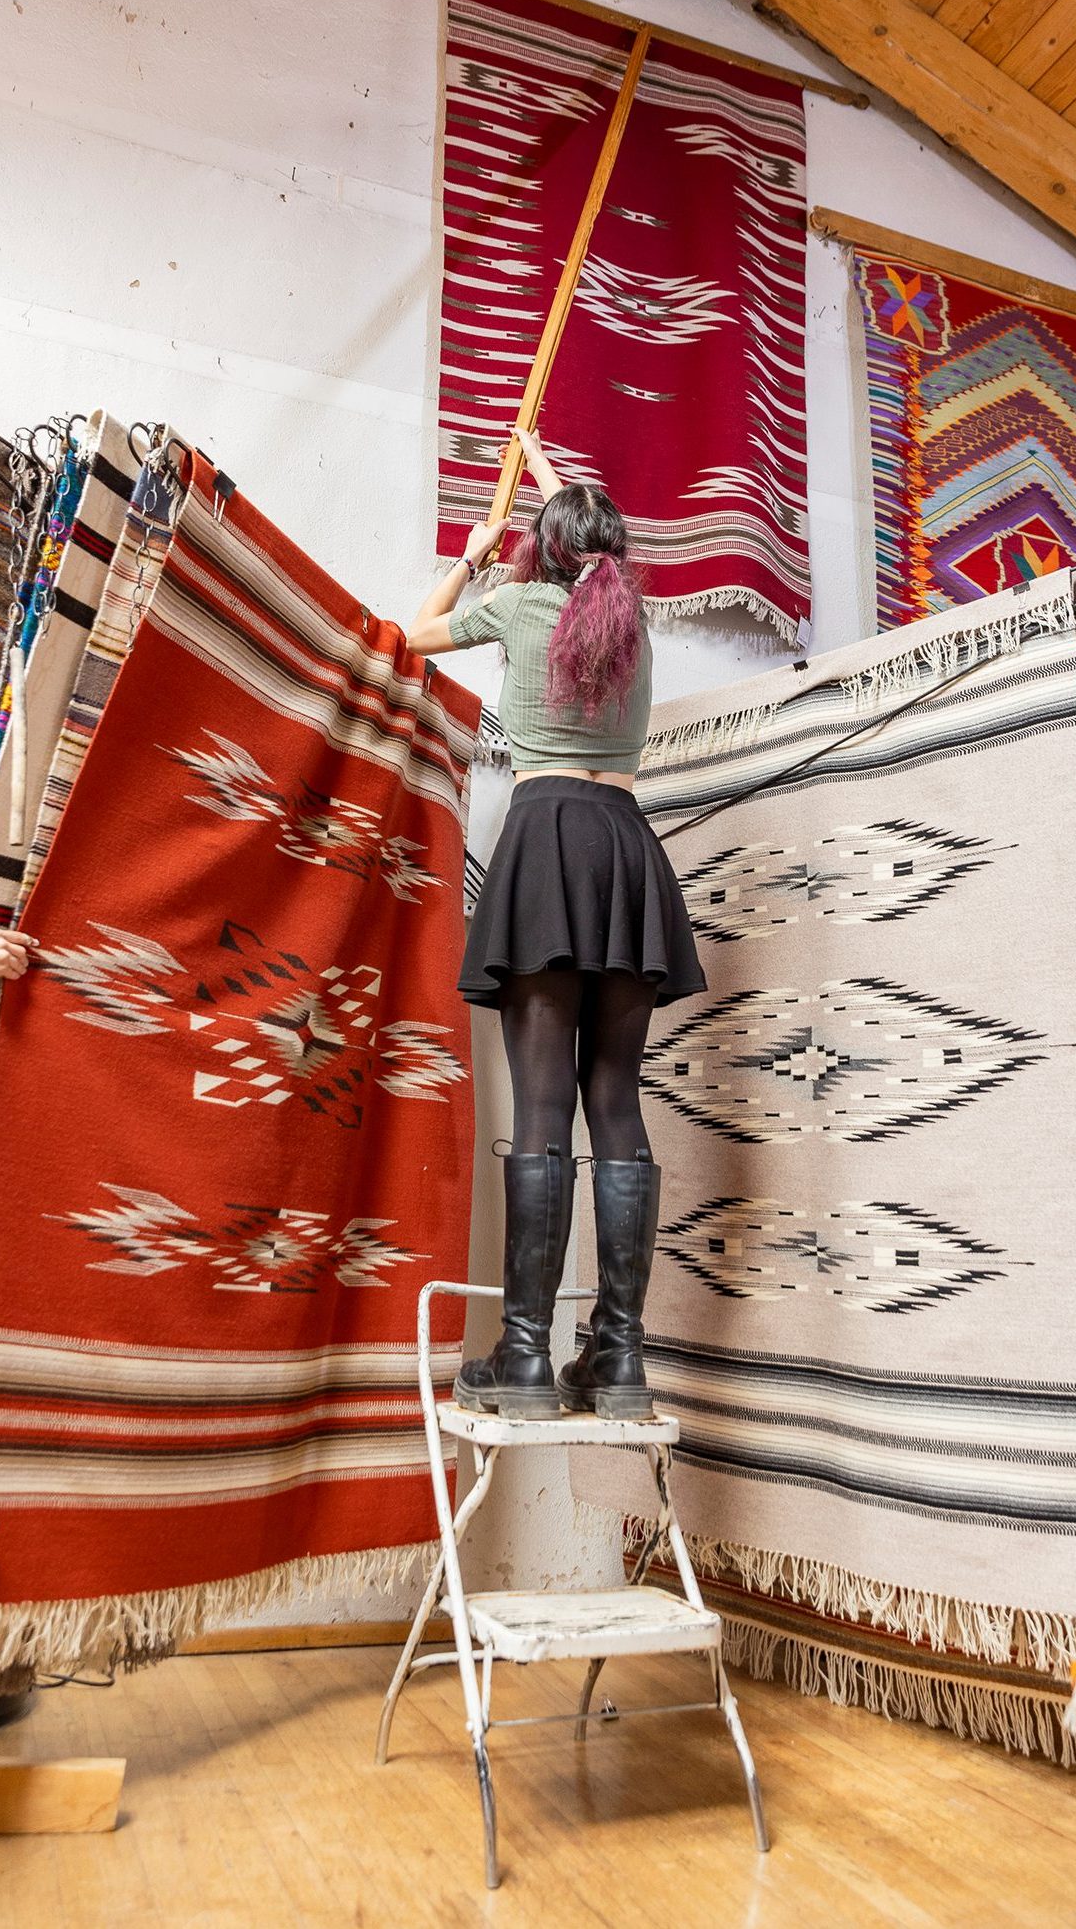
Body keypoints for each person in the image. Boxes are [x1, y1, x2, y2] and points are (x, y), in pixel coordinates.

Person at [407, 429, 705, 1422]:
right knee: (614, 1097)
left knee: (543, 1105)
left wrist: (471, 557)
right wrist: (544, 470)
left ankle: (525, 1359)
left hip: (547, 843)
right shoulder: (631, 623)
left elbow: (413, 633)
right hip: (625, 846)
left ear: (542, 550)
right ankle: (617, 1360)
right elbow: (588, 541)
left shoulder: (519, 603)